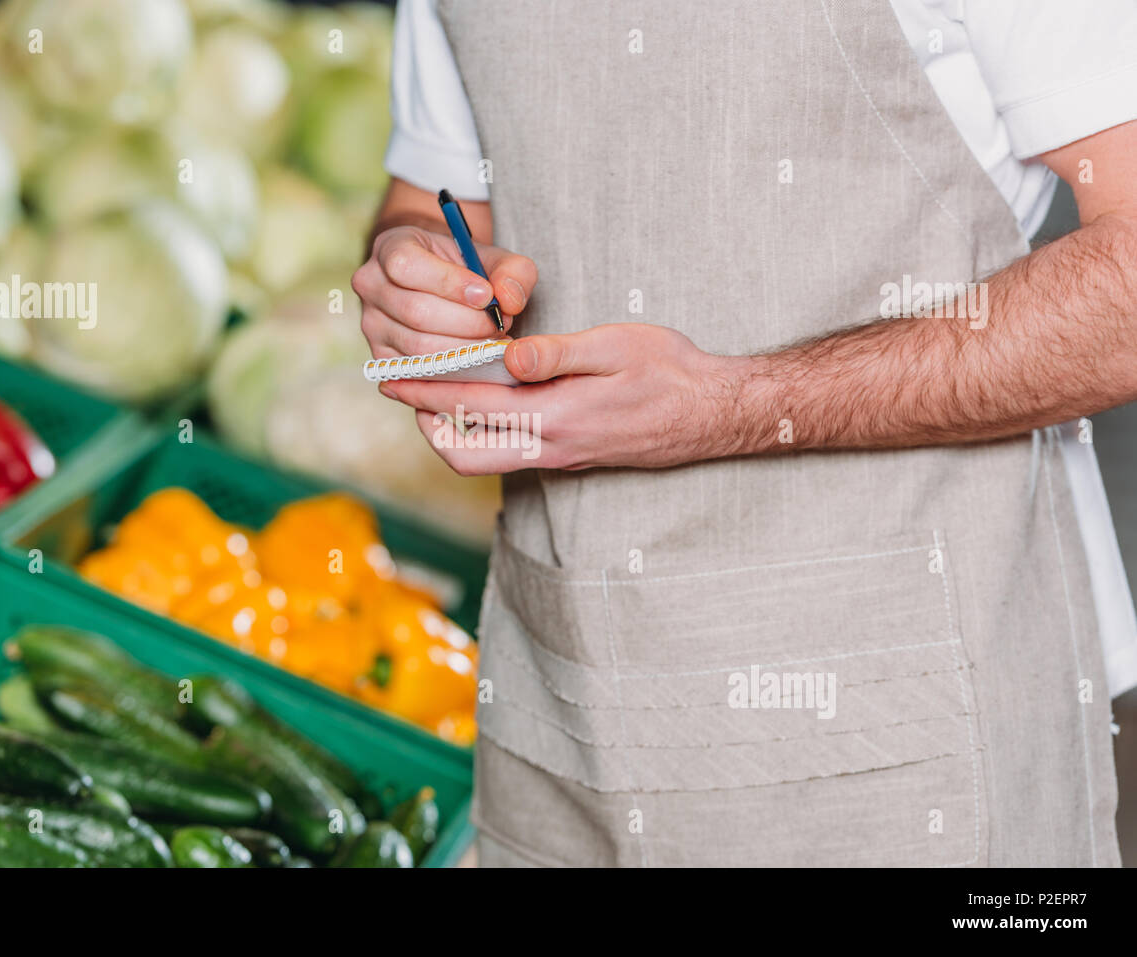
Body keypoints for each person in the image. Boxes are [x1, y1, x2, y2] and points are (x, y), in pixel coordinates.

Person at [351, 0, 1137, 866]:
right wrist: (419, 282)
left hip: (902, 730)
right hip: (564, 708)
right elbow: (429, 199)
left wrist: (732, 400)